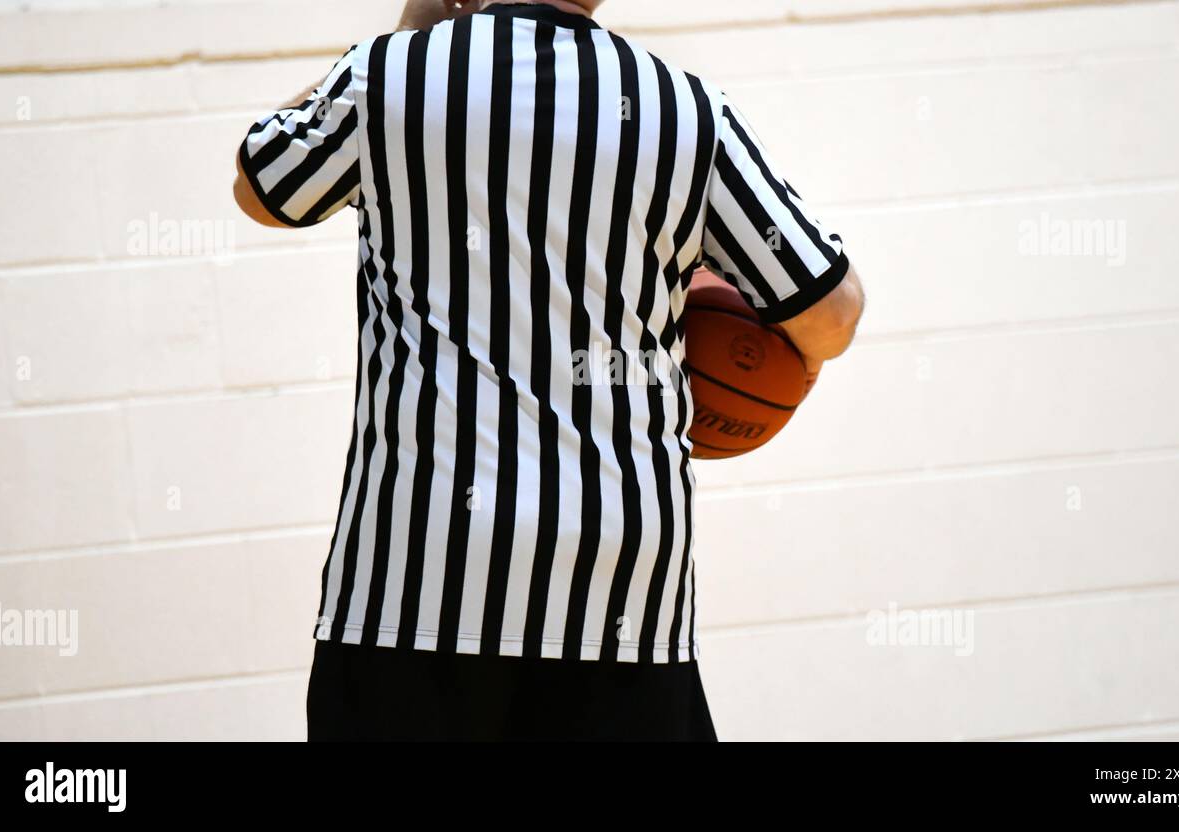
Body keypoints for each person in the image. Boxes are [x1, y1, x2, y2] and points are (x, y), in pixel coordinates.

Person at [232, 0, 864, 741]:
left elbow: (262, 187)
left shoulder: (388, 77)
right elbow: (833, 310)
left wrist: (412, 30)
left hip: (417, 583)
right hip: (619, 595)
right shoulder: (687, 111)